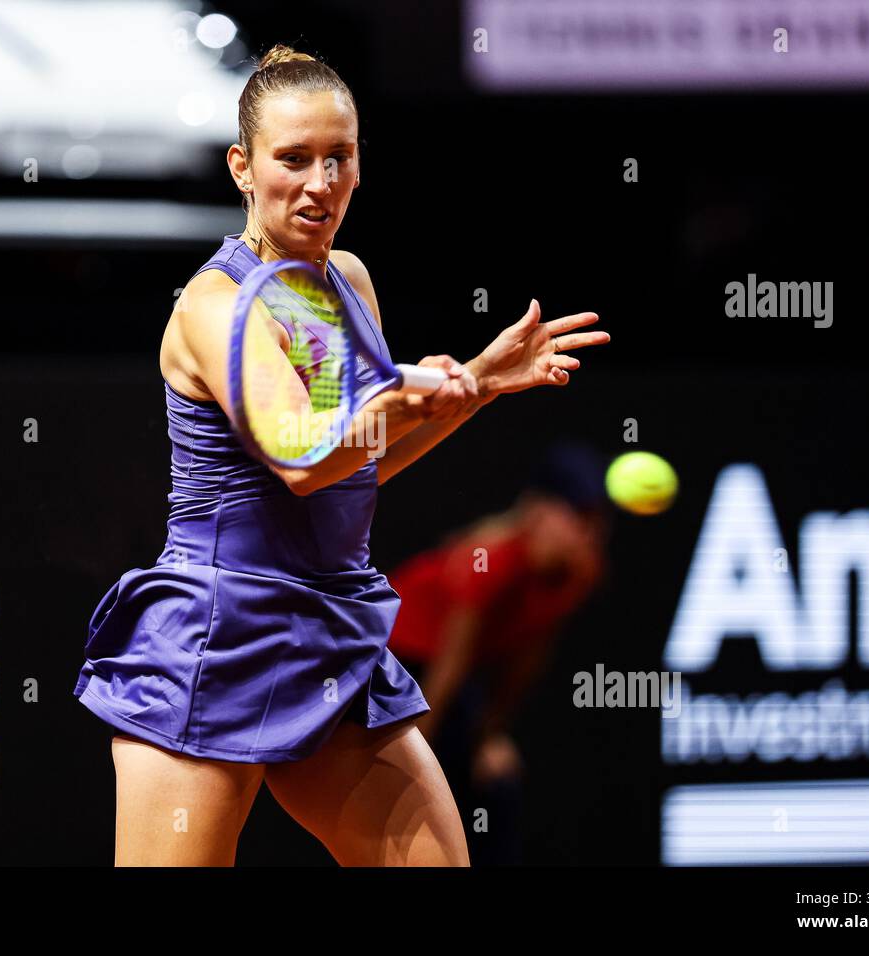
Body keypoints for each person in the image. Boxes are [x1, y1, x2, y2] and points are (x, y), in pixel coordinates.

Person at [73, 43, 610, 866]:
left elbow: (358, 465)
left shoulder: (348, 282)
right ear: (242, 168)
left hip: (328, 636)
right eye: (293, 159)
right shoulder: (215, 306)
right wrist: (396, 399)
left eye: (340, 157)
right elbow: (298, 456)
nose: (321, 182)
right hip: (215, 642)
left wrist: (476, 385)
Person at [387, 441, 612, 865]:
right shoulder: (493, 561)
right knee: (429, 789)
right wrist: (420, 757)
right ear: (540, 513)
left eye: (597, 519)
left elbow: (527, 659)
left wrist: (489, 736)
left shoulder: (579, 573)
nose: (590, 532)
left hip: (451, 680)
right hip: (395, 661)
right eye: (578, 516)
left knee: (496, 783)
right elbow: (451, 663)